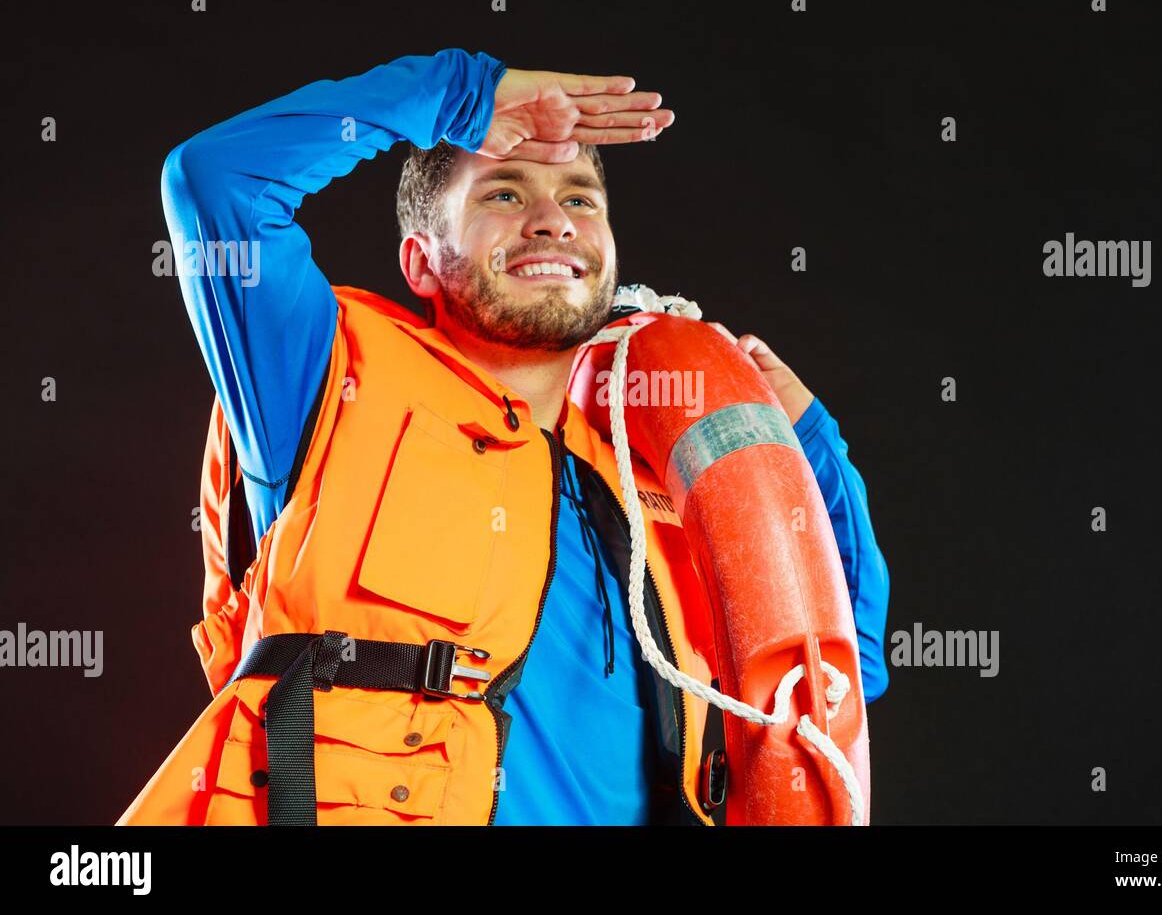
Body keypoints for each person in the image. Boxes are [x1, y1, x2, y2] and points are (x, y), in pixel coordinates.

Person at [118, 48, 890, 826]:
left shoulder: (648, 498)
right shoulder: (323, 380)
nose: (552, 219)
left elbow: (834, 664)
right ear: (421, 261)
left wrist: (806, 435)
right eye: (504, 190)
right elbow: (216, 181)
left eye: (582, 201)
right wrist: (459, 96)